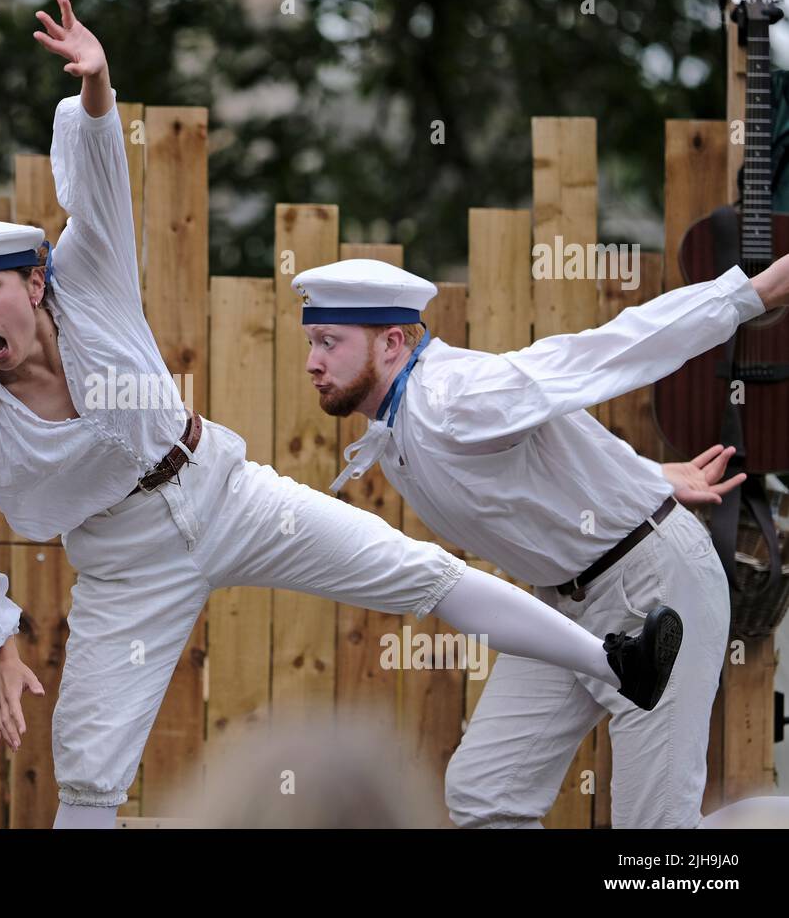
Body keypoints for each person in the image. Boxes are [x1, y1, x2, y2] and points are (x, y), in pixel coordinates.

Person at [0, 0, 683, 830]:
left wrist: (98, 86)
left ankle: (617, 661)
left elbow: (98, 173)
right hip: (124, 563)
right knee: (90, 767)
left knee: (416, 572)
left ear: (34, 281)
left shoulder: (88, 276)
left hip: (224, 491)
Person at [295, 254, 789, 827]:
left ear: (392, 343)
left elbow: (600, 353)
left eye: (329, 341)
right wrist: (649, 475)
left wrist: (754, 293)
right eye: (311, 342)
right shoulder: (397, 422)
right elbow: (543, 463)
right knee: (486, 795)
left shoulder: (455, 397)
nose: (312, 362)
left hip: (654, 590)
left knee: (655, 837)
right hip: (565, 606)